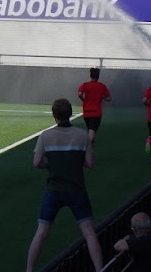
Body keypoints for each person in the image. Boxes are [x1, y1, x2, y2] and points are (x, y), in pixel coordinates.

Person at [24, 98, 103, 272]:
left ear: (54, 115)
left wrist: (50, 164)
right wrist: (73, 161)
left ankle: (29, 270)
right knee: (89, 232)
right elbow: (90, 163)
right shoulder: (82, 135)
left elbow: (37, 162)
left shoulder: (46, 135)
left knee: (42, 232)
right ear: (70, 114)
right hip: (76, 189)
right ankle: (100, 269)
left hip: (54, 189)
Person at [76, 67, 111, 145]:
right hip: (96, 113)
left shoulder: (85, 85)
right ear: (98, 76)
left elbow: (79, 93)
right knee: (91, 134)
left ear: (90, 76)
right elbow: (109, 98)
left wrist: (84, 99)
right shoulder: (102, 86)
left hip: (86, 113)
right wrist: (103, 97)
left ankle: (89, 149)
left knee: (90, 131)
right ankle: (87, 150)